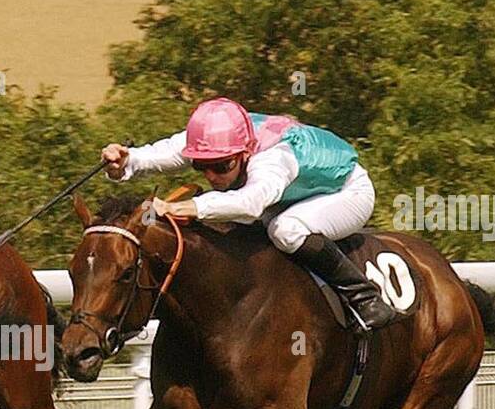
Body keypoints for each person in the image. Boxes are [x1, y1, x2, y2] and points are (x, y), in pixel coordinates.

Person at [101, 97, 401, 331]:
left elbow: (251, 203)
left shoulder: (274, 159)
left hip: (347, 193)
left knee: (284, 229)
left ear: (245, 153)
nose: (211, 176)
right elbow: (166, 152)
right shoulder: (215, 138)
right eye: (200, 167)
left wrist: (184, 207)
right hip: (293, 194)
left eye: (220, 167)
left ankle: (364, 297)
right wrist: (127, 160)